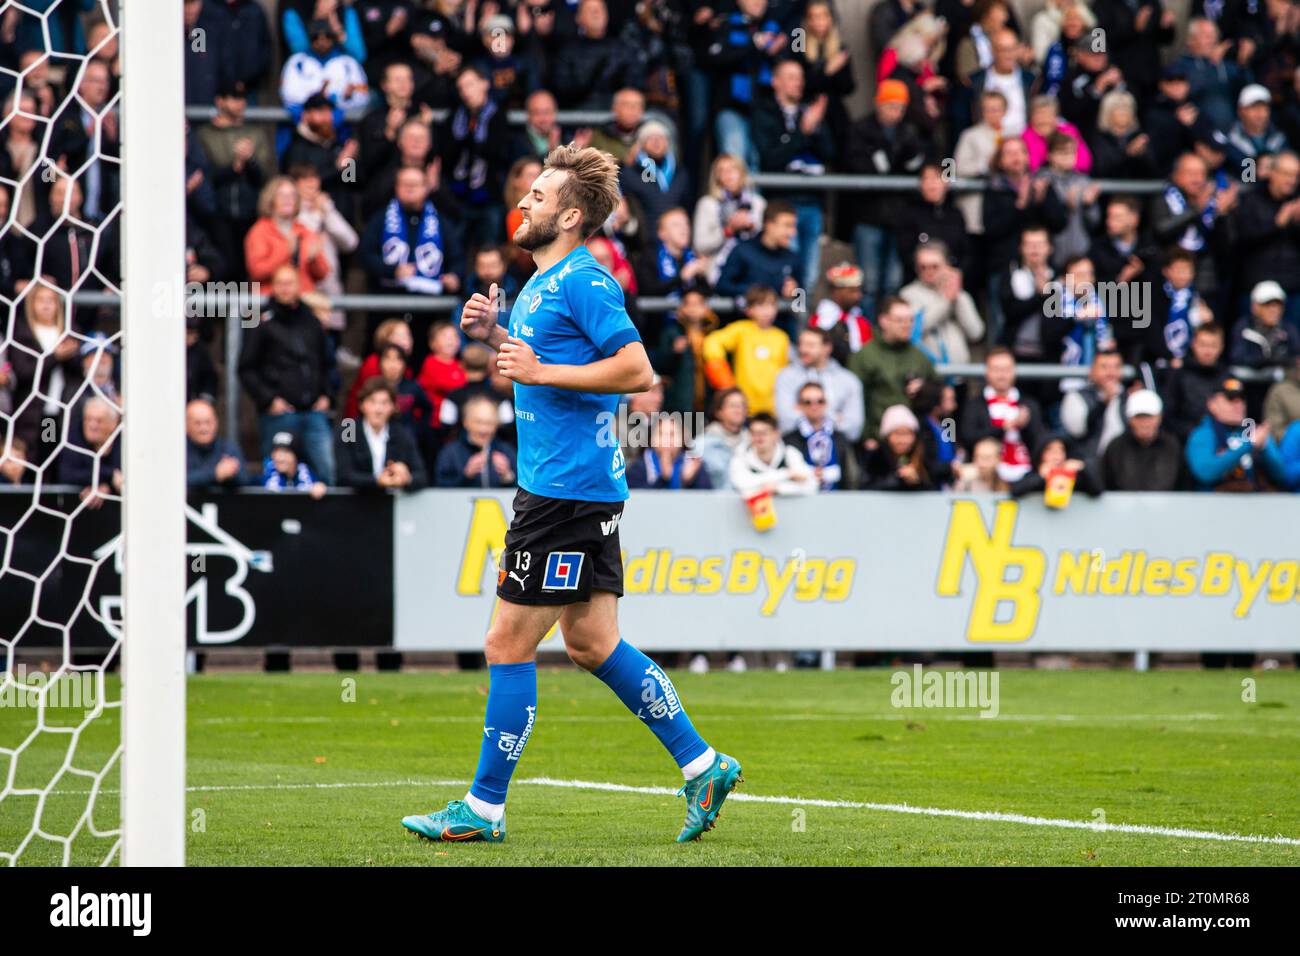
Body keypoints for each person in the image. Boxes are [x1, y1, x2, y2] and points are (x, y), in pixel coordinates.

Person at [400, 144, 741, 846]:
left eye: (538, 195)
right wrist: (495, 334)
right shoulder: (536, 284)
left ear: (571, 214)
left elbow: (636, 369)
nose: (524, 202)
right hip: (571, 489)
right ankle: (702, 764)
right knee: (590, 641)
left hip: (565, 496)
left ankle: (484, 808)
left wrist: (541, 366)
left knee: (505, 642)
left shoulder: (587, 279)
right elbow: (543, 367)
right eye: (525, 191)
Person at [238, 265, 336, 484]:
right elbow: (246, 368)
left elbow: (327, 363)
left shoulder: (311, 320)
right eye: (280, 283)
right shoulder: (261, 321)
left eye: (289, 283)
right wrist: (269, 400)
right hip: (279, 414)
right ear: (273, 287)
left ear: (299, 285)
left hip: (313, 411)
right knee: (275, 475)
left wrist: (327, 395)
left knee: (326, 472)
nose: (284, 289)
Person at [849, 296, 938, 443]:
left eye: (910, 320)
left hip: (913, 439)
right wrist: (867, 436)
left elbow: (938, 389)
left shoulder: (918, 355)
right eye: (900, 320)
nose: (906, 325)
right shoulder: (865, 356)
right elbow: (856, 400)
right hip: (878, 439)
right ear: (884, 321)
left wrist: (924, 388)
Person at [1185, 375, 1286, 492]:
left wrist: (1264, 448)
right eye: (1231, 400)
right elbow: (1205, 473)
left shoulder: (1253, 432)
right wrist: (1249, 445)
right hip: (1214, 503)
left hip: (1253, 502)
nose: (1238, 405)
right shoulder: (1203, 434)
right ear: (1212, 404)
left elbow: (1281, 475)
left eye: (1241, 399)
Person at [702, 284, 790, 415]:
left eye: (771, 305)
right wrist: (723, 377)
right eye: (760, 306)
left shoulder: (782, 337)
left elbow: (784, 373)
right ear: (749, 310)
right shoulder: (741, 330)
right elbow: (712, 342)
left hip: (772, 408)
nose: (767, 311)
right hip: (743, 408)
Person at [960, 347, 1043, 484]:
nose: (1001, 375)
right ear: (987, 372)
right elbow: (968, 438)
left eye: (1006, 369)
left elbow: (1038, 443)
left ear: (1013, 372)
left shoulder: (1029, 404)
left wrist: (1025, 425)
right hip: (986, 477)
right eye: (996, 369)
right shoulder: (974, 404)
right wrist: (1002, 428)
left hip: (1024, 475)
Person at [899, 241, 984, 366]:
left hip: (961, 374)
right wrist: (946, 301)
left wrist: (958, 297)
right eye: (923, 267)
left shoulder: (959, 294)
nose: (929, 271)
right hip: (927, 375)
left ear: (947, 265)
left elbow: (976, 333)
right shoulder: (907, 294)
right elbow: (915, 328)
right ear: (916, 268)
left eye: (935, 266)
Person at [335, 378, 428, 491]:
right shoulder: (349, 428)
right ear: (362, 405)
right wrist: (377, 480)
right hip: (353, 504)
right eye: (372, 402)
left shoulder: (401, 433)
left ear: (393, 407)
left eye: (384, 403)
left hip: (390, 504)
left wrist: (406, 478)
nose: (378, 409)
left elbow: (422, 476)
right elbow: (344, 475)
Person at [773, 326, 863, 442]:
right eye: (801, 344)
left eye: (810, 345)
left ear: (827, 348)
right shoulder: (785, 376)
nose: (803, 349)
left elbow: (854, 430)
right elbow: (786, 422)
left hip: (837, 450)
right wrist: (836, 417)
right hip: (795, 447)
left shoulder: (849, 380)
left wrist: (804, 411)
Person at [243, 176, 331, 293]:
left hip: (303, 301)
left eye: (292, 195)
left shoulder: (305, 231)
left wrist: (313, 259)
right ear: (271, 200)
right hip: (271, 301)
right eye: (282, 195)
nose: (288, 199)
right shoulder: (259, 232)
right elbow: (256, 271)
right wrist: (286, 252)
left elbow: (323, 274)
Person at [713, 201, 800, 299]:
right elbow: (722, 286)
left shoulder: (792, 258)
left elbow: (801, 303)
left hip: (781, 314)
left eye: (793, 226)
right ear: (769, 225)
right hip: (744, 314)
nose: (793, 232)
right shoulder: (742, 251)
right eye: (787, 225)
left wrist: (795, 292)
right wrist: (759, 293)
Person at [1100, 389, 1183, 491]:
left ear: (1159, 417)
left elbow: (1183, 483)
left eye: (1149, 417)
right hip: (1123, 505)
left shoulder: (1172, 446)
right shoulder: (1116, 446)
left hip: (1165, 505)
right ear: (1129, 419)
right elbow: (1105, 482)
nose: (1144, 423)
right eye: (1139, 417)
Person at [783, 382, 856, 490]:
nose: (814, 406)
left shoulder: (839, 437)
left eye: (820, 401)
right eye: (808, 402)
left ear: (826, 404)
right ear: (799, 406)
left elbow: (850, 476)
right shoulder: (789, 440)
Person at [434, 393, 518, 488]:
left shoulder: (506, 451)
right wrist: (466, 475)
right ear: (466, 422)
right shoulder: (450, 452)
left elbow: (523, 493)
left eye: (489, 423)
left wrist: (508, 477)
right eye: (478, 422)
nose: (484, 429)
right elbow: (439, 487)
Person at [1162, 321, 1227, 441]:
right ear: (1193, 344)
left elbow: (1238, 417)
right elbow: (1168, 416)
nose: (1207, 351)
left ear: (1221, 347)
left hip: (1223, 443)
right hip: (1185, 441)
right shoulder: (1178, 375)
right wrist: (1197, 434)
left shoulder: (1227, 378)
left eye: (1213, 345)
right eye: (1203, 345)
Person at [729, 411, 818, 496]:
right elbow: (740, 485)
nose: (758, 437)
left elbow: (812, 486)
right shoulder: (741, 456)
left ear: (776, 434)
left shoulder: (790, 453)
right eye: (754, 433)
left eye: (763, 433)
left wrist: (779, 489)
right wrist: (786, 474)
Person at [57, 396, 121, 507]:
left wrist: (107, 487)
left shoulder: (124, 443)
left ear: (114, 423)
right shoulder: (74, 436)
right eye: (88, 419)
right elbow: (67, 474)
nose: (92, 425)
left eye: (99, 421)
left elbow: (124, 478)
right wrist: (109, 477)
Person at [863, 404, 939, 491]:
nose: (902, 440)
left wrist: (917, 482)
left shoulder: (923, 458)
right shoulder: (875, 458)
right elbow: (866, 486)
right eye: (897, 433)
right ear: (887, 436)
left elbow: (933, 488)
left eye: (907, 434)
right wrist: (899, 479)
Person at [809, 262, 872, 367]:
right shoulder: (820, 321)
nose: (858, 296)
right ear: (836, 291)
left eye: (858, 291)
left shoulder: (861, 322)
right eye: (852, 291)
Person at [625, 415, 712, 490]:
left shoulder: (692, 464)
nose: (667, 440)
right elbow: (636, 499)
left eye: (672, 434)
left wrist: (688, 481)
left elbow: (706, 498)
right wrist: (663, 479)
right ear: (651, 439)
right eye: (661, 434)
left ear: (683, 439)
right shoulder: (639, 466)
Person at [1010, 433, 1104, 498]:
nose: (1056, 455)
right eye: (1050, 450)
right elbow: (1015, 490)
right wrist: (1041, 477)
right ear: (1040, 455)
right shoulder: (1034, 475)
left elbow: (1097, 490)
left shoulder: (1072, 477)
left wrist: (1083, 468)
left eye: (1061, 450)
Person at [693, 387, 749, 489]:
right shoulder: (701, 444)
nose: (738, 410)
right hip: (712, 502)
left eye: (742, 405)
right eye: (732, 406)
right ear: (718, 412)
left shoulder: (753, 442)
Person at [186, 398, 246, 489]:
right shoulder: (179, 451)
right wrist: (215, 474)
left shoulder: (228, 448)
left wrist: (231, 473)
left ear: (215, 423)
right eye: (197, 423)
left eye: (208, 422)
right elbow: (177, 480)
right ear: (186, 426)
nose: (204, 429)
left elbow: (244, 479)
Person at [260, 430, 328, 499]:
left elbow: (317, 486)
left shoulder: (305, 471)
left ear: (296, 455)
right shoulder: (267, 472)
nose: (279, 458)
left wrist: (318, 486)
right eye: (276, 451)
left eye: (285, 452)